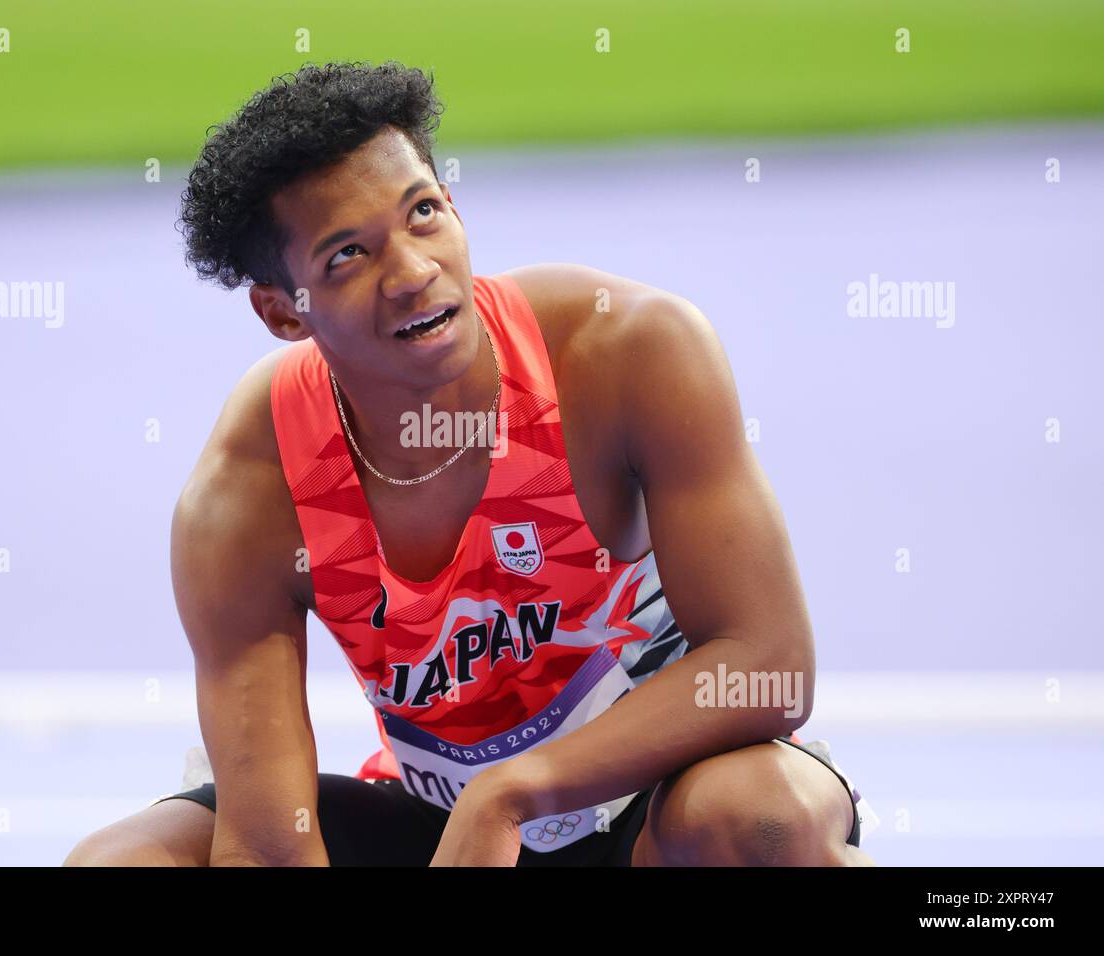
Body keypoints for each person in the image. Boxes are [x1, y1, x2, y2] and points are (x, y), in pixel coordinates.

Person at [64, 60, 873, 867]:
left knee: (762, 818)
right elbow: (271, 844)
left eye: (422, 214)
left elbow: (768, 666)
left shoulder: (626, 349)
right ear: (283, 311)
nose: (414, 274)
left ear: (453, 204)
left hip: (658, 802)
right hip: (437, 828)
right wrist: (482, 804)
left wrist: (514, 790)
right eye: (348, 256)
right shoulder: (248, 493)